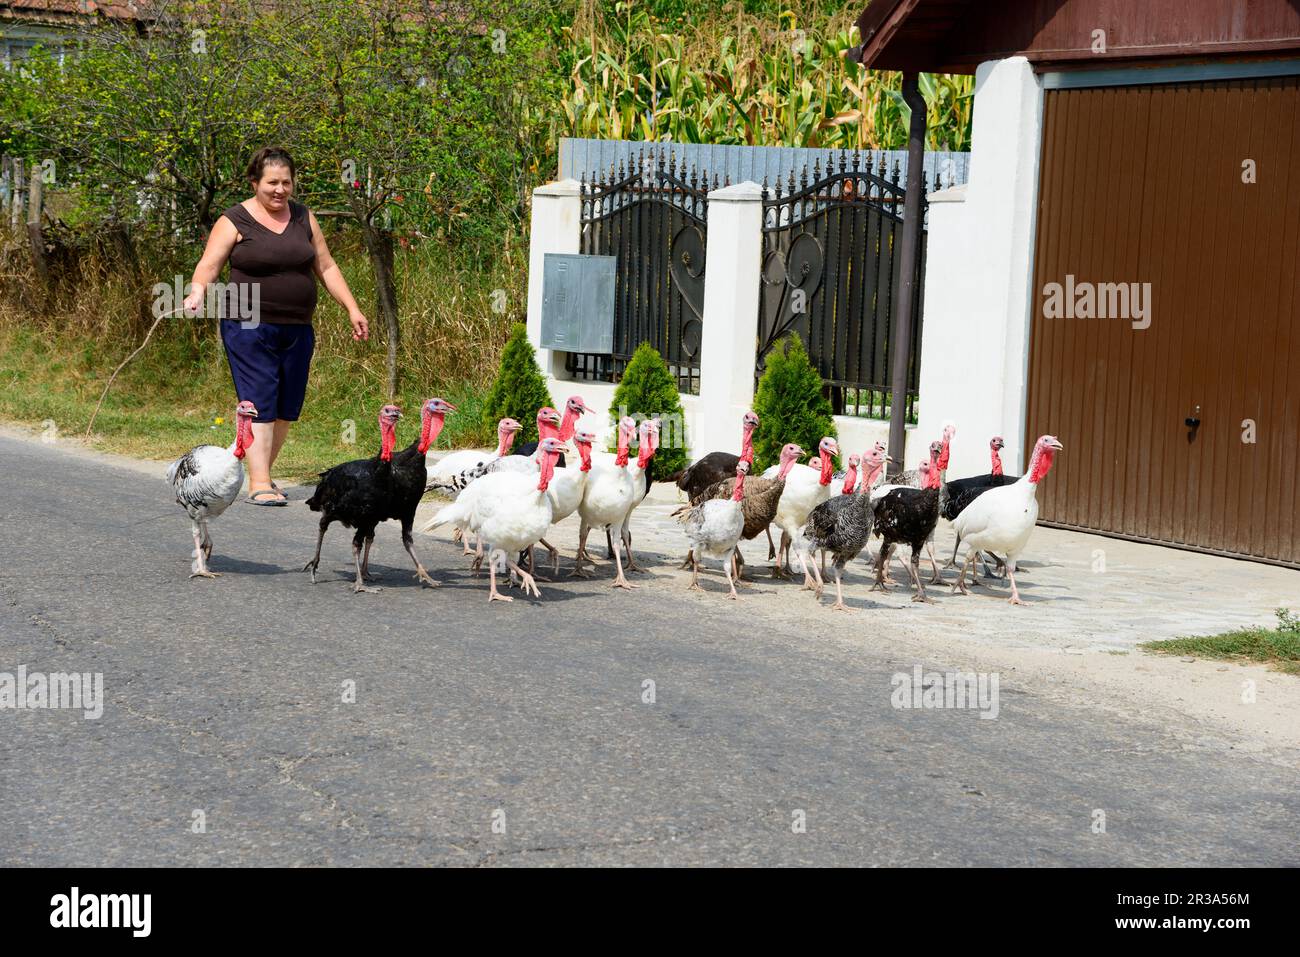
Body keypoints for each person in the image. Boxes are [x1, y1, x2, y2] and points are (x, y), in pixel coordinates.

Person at [184, 146, 369, 505]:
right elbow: (209, 265)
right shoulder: (235, 219)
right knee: (260, 397)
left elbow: (326, 267)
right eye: (272, 182)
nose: (280, 190)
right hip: (247, 320)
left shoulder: (303, 217)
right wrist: (196, 294)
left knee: (287, 403)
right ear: (255, 182)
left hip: (297, 325)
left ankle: (258, 474)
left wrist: (352, 308)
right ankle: (259, 482)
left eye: (286, 182)